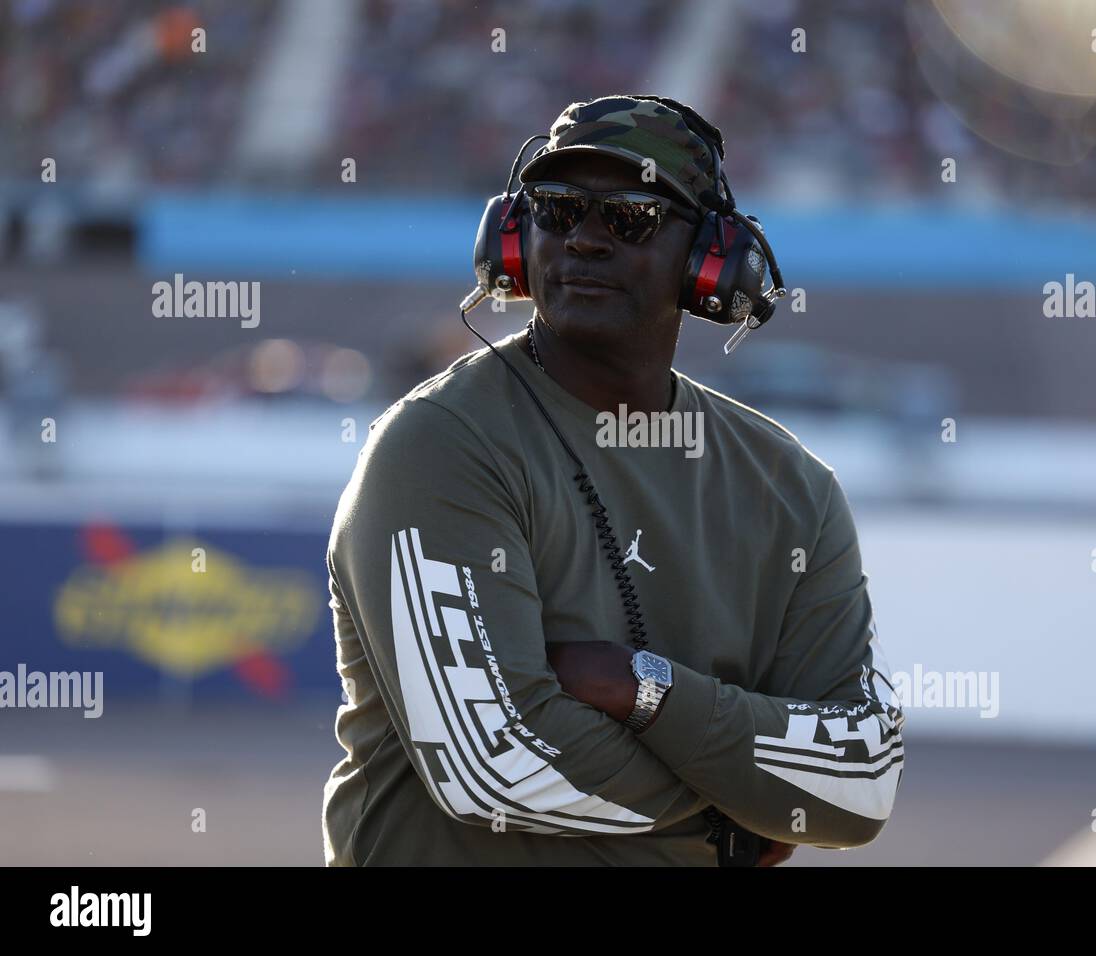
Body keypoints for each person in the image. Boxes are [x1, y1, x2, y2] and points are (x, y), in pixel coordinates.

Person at [322, 94, 905, 866]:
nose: (585, 240)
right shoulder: (438, 446)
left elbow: (858, 781)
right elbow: (493, 765)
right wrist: (739, 812)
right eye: (557, 211)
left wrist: (646, 689)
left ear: (709, 260)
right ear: (515, 240)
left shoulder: (791, 487)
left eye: (630, 216)